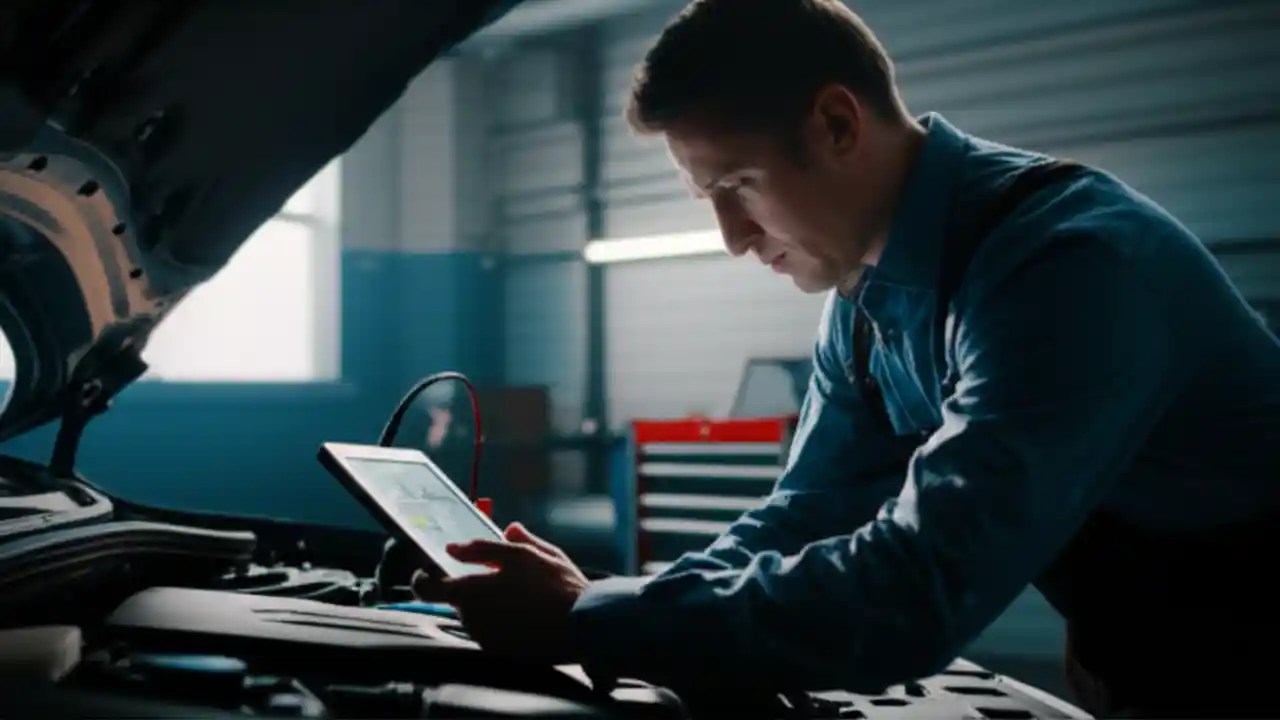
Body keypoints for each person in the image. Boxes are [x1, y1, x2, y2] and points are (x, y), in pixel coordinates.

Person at [413, 1, 1280, 715]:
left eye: (736, 187)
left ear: (835, 123)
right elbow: (806, 515)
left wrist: (593, 617)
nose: (731, 239)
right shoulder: (864, 302)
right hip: (1132, 664)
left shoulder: (1068, 267)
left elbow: (916, 589)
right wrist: (610, 599)